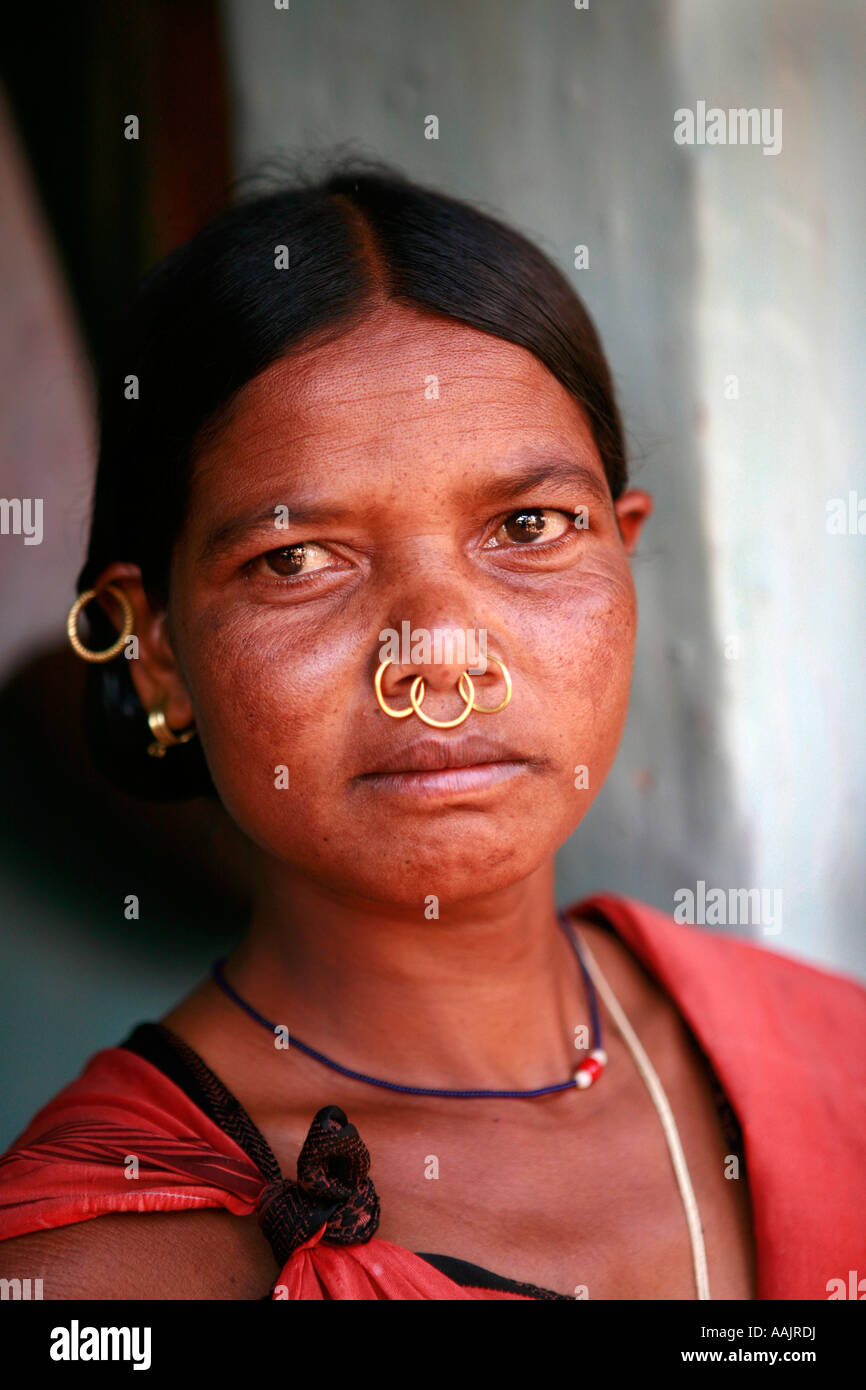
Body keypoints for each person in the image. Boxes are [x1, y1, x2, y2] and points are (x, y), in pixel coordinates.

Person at [0, 163, 863, 1301]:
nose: (439, 660)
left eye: (528, 526)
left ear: (622, 550)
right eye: (296, 558)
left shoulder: (826, 1056)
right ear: (155, 645)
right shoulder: (103, 1269)